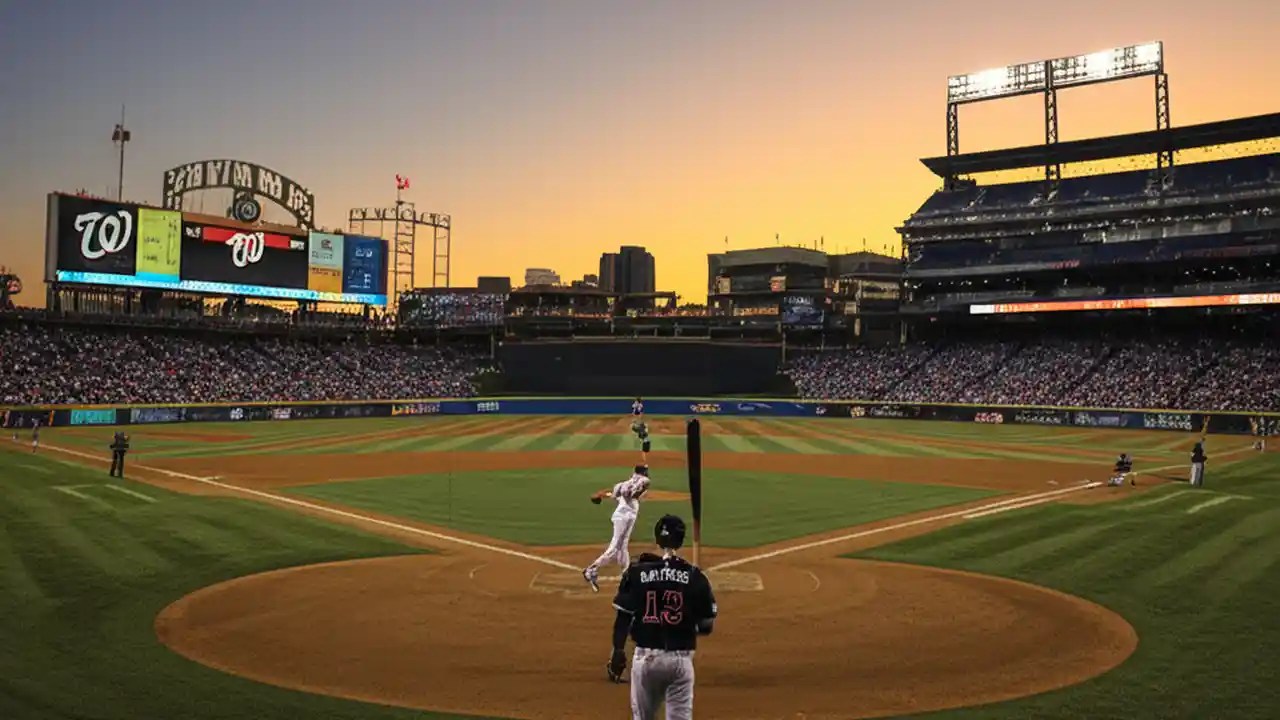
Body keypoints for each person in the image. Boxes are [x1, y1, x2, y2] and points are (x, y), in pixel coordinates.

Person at [606, 514, 717, 720]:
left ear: (657, 538)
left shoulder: (637, 572)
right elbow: (706, 625)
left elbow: (623, 618)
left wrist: (618, 650)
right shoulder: (695, 576)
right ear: (681, 540)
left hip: (646, 660)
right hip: (680, 661)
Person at [584, 465, 651, 593]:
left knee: (623, 547)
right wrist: (635, 491)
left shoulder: (622, 484)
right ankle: (591, 569)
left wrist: (601, 495)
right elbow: (635, 492)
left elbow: (614, 494)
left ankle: (627, 575)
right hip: (624, 518)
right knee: (615, 548)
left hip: (623, 517)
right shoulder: (643, 481)